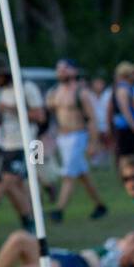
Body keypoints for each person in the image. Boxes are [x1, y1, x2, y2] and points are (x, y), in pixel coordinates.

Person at [44, 59, 108, 222]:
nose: (61, 72)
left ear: (74, 71)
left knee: (68, 174)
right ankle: (100, 205)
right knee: (82, 174)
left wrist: (93, 143)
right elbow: (48, 114)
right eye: (59, 69)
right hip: (62, 137)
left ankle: (59, 210)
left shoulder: (82, 93)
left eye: (65, 68)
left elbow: (92, 119)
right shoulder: (54, 92)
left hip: (78, 135)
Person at [0, 54, 43, 231]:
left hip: (27, 143)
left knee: (11, 181)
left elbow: (39, 116)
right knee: (15, 185)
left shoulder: (26, 87)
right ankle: (28, 220)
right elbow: (1, 120)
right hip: (6, 144)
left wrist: (10, 108)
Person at [109, 62, 134, 159]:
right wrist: (133, 125)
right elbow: (125, 110)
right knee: (126, 155)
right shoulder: (123, 89)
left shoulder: (126, 87)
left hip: (127, 127)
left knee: (130, 153)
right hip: (124, 128)